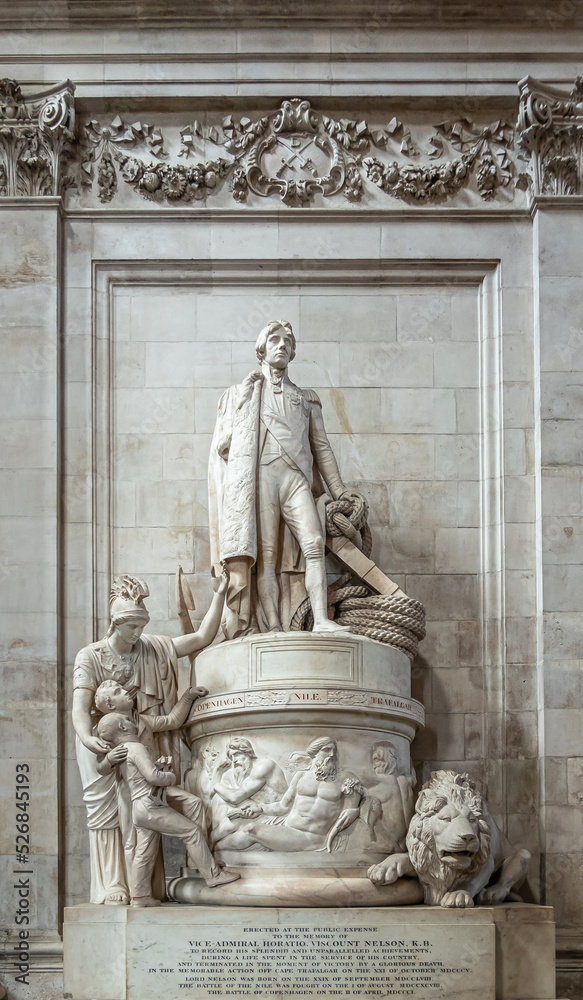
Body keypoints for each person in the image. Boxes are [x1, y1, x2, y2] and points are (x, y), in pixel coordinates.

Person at [72, 568, 228, 904]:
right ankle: (112, 883)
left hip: (139, 733)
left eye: (142, 626)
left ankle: (142, 889)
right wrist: (88, 740)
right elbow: (80, 709)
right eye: (132, 627)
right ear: (115, 623)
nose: (139, 633)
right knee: (104, 811)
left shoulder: (152, 647)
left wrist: (220, 594)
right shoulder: (90, 656)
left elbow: (201, 638)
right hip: (100, 744)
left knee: (138, 818)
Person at [209, 319, 354, 637]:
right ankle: (273, 625)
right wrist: (239, 415)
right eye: (274, 339)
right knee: (267, 557)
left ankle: (322, 621)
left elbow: (322, 449)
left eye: (288, 341)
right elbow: (223, 446)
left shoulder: (306, 399)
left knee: (314, 543)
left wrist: (340, 490)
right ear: (261, 349)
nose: (282, 345)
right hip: (261, 480)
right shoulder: (241, 394)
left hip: (295, 480)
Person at [96, 713, 240, 906]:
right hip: (151, 805)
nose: (132, 722)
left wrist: (157, 768)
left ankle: (139, 897)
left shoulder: (123, 750)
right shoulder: (137, 748)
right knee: (192, 831)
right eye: (128, 721)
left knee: (144, 852)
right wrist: (170, 776)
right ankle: (213, 876)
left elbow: (139, 775)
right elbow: (153, 777)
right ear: (123, 727)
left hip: (140, 808)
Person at [234, 737, 364, 852]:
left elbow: (349, 812)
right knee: (239, 828)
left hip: (310, 836)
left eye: (333, 751)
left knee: (251, 829)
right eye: (326, 750)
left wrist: (353, 810)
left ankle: (217, 858)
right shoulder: (301, 776)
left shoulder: (346, 778)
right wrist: (260, 808)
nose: (331, 755)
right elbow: (283, 806)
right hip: (287, 826)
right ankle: (217, 854)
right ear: (315, 753)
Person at [207, 737, 288, 849]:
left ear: (248, 752)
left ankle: (211, 845)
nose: (234, 760)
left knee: (240, 810)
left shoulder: (264, 766)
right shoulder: (244, 775)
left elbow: (235, 797)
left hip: (277, 814)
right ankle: (211, 844)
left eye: (237, 754)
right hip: (259, 813)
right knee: (238, 809)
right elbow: (210, 794)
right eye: (231, 757)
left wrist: (216, 782)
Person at [361, 741, 416, 854]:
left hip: (390, 842)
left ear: (388, 760)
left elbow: (363, 779)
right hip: (404, 843)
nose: (374, 765)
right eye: (373, 760)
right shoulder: (404, 781)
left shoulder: (385, 782)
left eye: (377, 760)